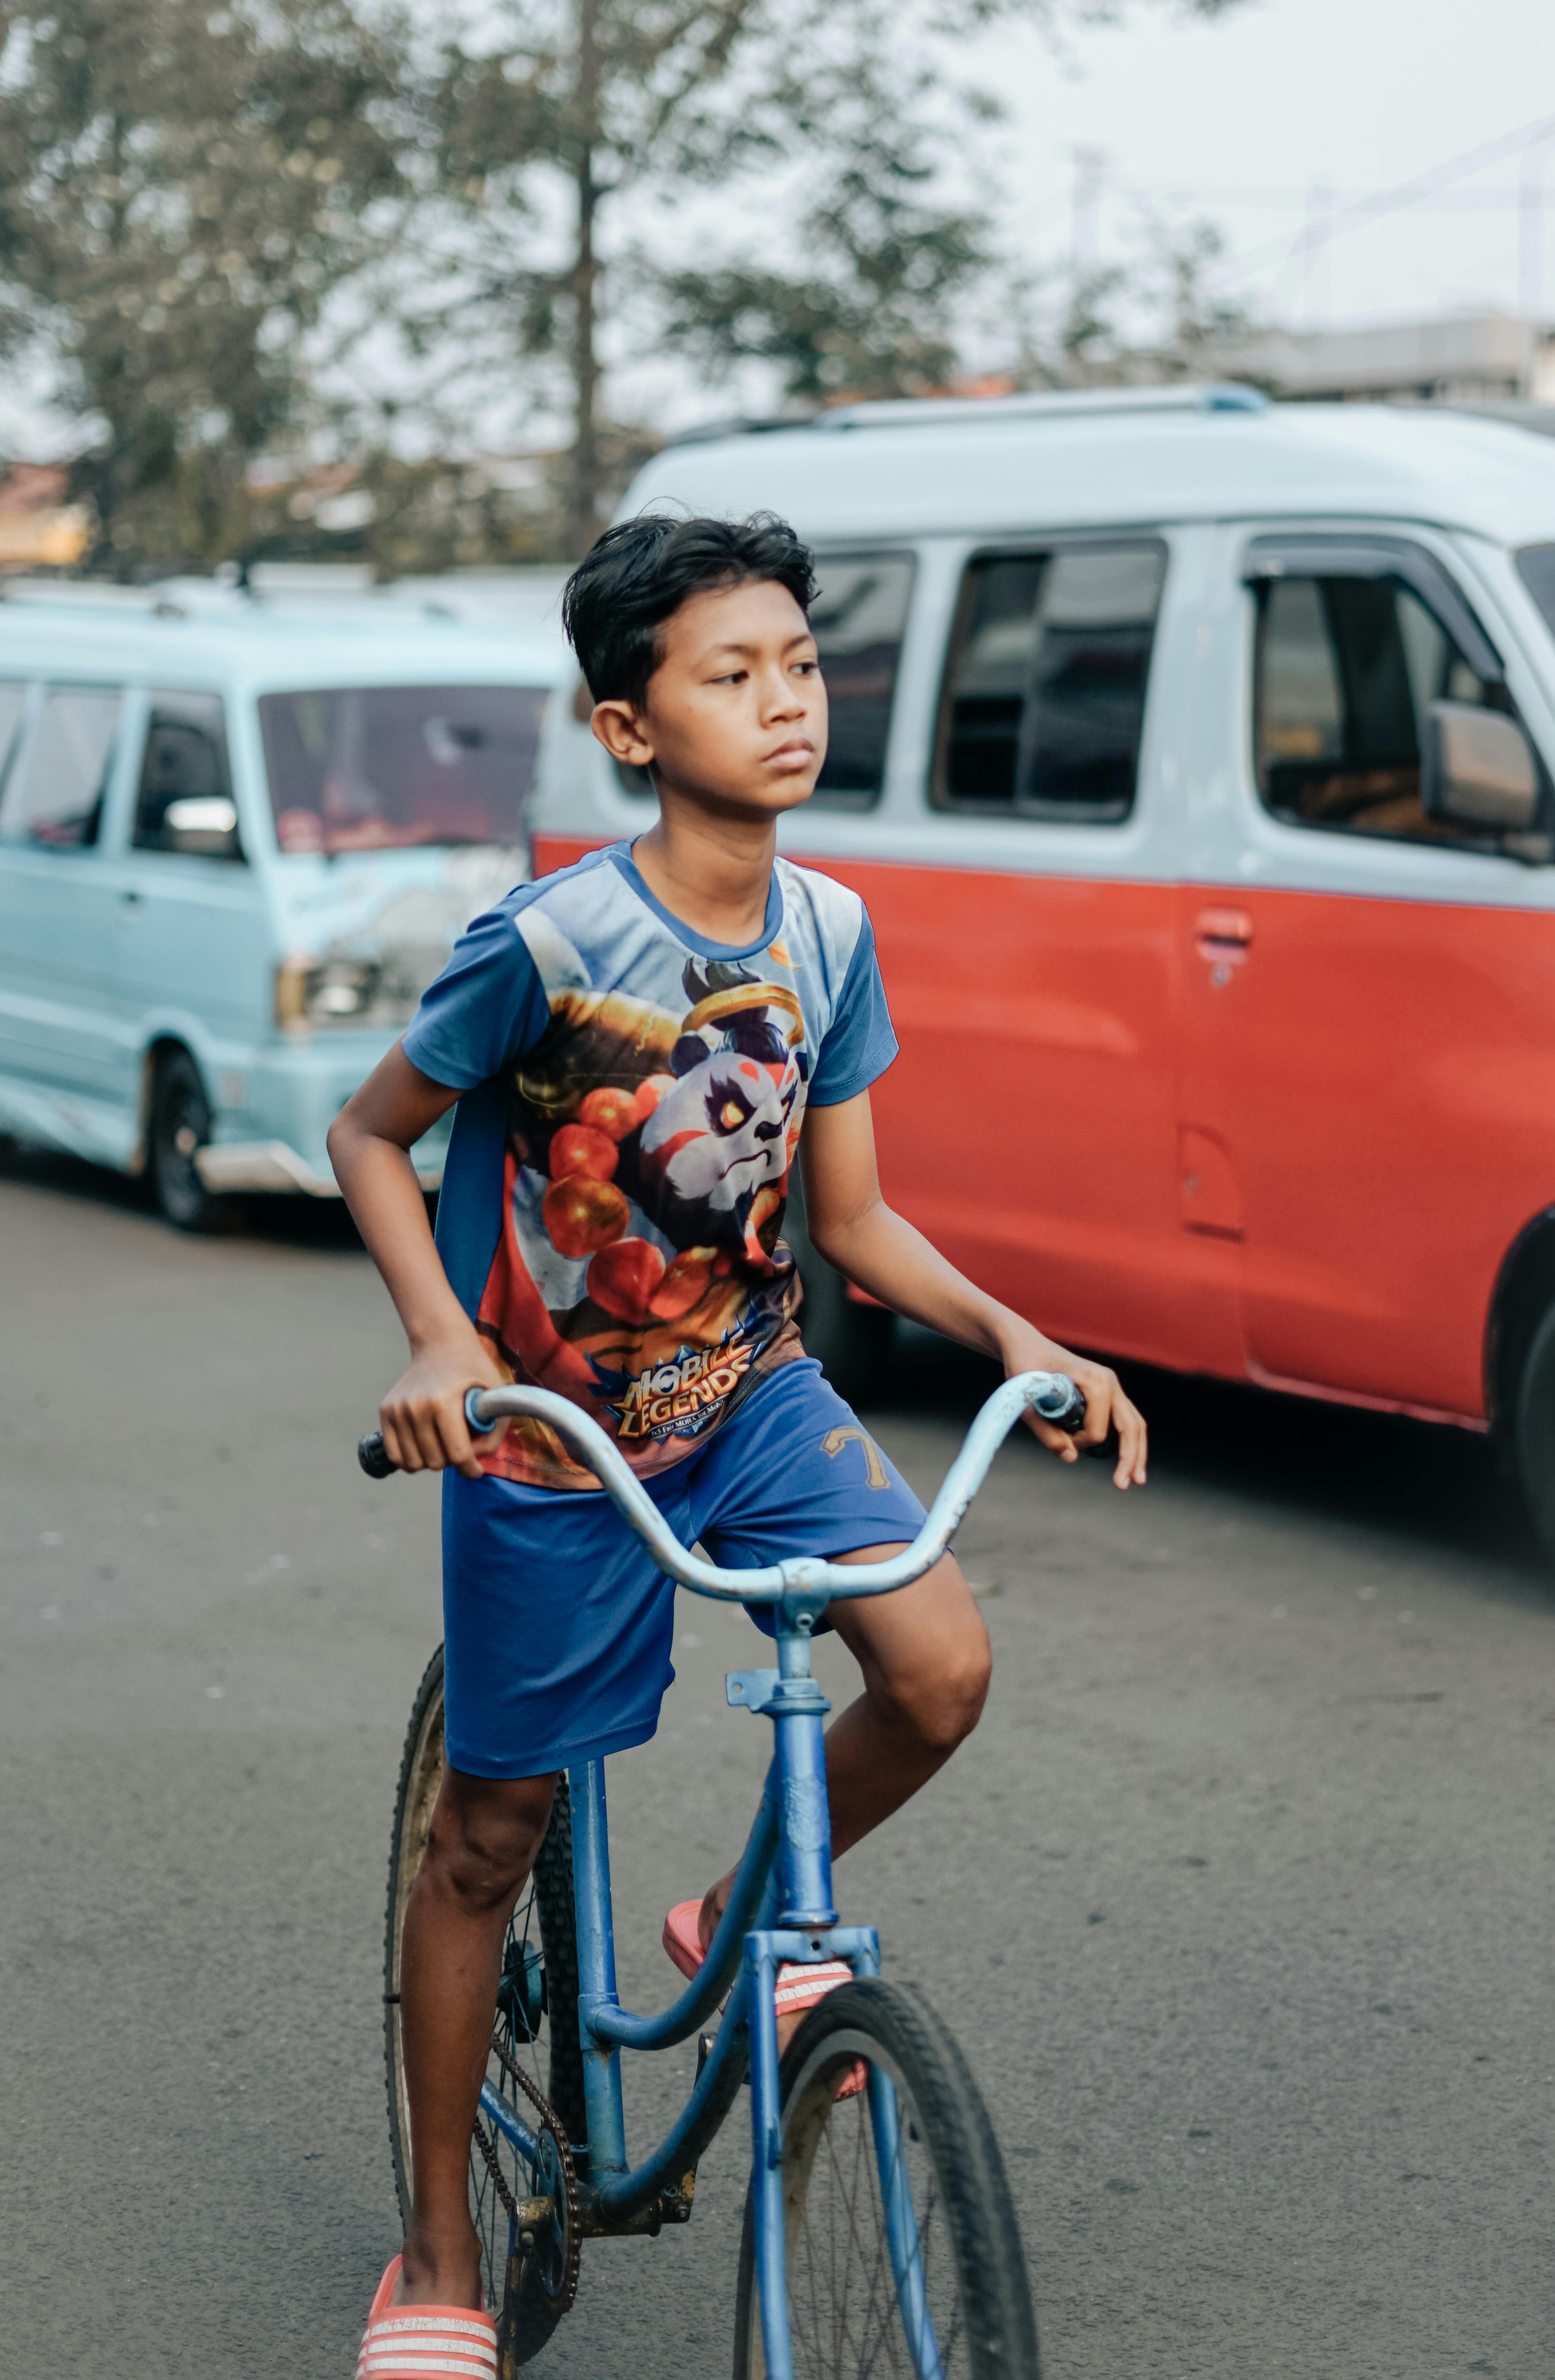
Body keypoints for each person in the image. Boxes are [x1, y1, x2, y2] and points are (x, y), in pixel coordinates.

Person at [331, 511, 1148, 2362]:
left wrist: (1016, 1329)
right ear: (630, 725)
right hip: (550, 1430)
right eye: (732, 670)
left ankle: (732, 1912)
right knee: (489, 1825)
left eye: (800, 661)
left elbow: (849, 1217)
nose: (788, 699)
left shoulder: (834, 925)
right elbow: (373, 1134)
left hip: (751, 1393)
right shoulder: (543, 940)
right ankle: (444, 2248)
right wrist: (443, 1338)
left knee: (940, 1666)